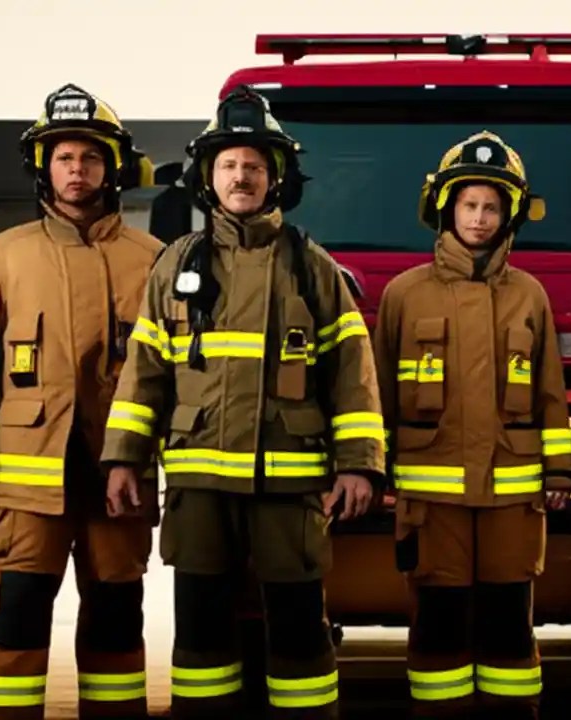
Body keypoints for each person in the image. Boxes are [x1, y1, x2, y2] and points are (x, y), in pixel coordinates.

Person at [100, 85, 385, 720]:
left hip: (290, 484)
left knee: (299, 628)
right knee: (201, 630)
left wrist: (359, 464)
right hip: (199, 483)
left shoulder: (313, 267)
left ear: (275, 177)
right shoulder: (176, 265)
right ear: (208, 177)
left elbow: (352, 376)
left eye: (254, 165)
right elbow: (145, 373)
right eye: (228, 164)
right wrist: (124, 459)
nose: (241, 176)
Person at [0, 83, 164, 720]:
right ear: (43, 166)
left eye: (90, 157)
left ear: (112, 166)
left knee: (116, 618)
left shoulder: (154, 261)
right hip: (31, 481)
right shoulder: (3, 256)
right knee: (17, 619)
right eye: (63, 158)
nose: (76, 170)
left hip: (119, 477)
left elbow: (174, 373)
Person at [370, 130, 571, 720]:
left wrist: (560, 470)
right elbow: (378, 391)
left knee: (510, 622)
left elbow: (550, 391)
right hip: (431, 500)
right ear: (446, 208)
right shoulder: (404, 294)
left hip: (514, 496)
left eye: (491, 207)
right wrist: (374, 468)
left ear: (509, 215)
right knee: (438, 623)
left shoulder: (530, 295)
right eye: (469, 205)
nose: (480, 218)